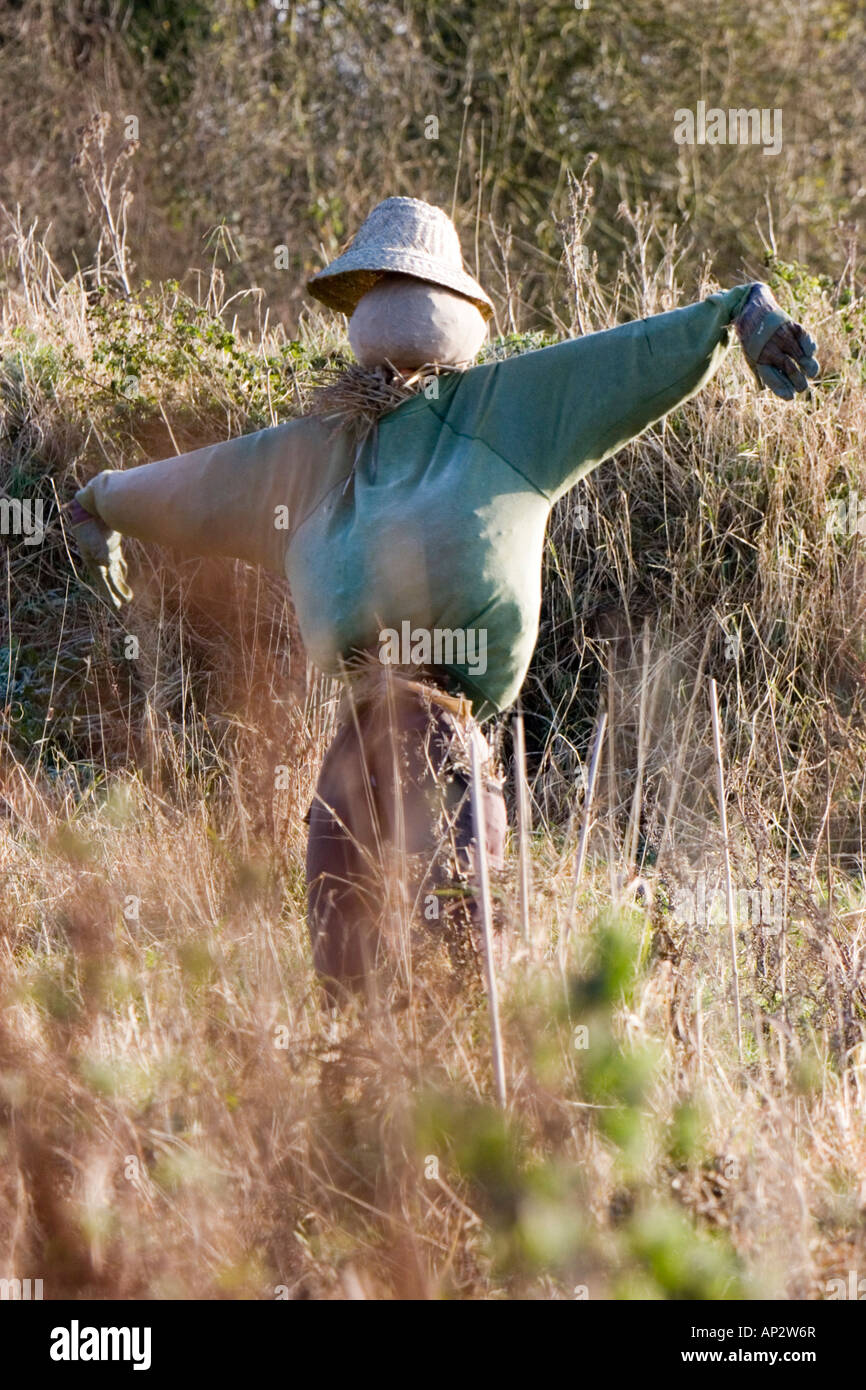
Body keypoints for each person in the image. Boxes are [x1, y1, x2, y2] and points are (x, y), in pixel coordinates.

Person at [66, 196, 819, 1003]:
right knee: (344, 963)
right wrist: (100, 503)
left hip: (447, 727)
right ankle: (361, 1104)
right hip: (353, 742)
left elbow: (618, 362)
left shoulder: (509, 412)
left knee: (458, 951)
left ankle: (470, 1098)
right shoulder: (322, 451)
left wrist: (737, 315)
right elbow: (201, 481)